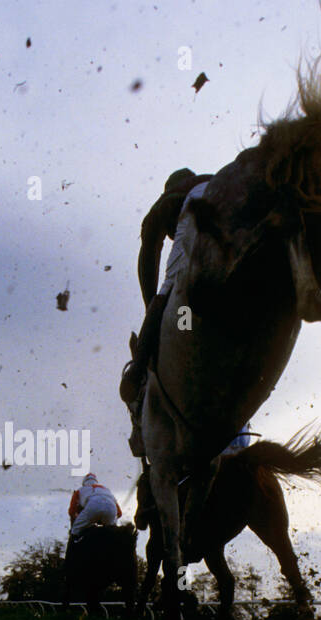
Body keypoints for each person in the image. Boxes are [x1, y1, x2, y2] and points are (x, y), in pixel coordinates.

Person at [120, 167, 215, 457]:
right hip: (235, 209)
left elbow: (147, 261)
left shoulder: (168, 202)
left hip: (208, 211)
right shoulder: (211, 181)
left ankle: (136, 372)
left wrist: (153, 307)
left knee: (172, 284)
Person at [68, 473, 122, 539]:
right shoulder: (107, 490)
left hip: (93, 507)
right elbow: (119, 514)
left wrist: (78, 520)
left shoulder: (80, 490)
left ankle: (73, 543)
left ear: (84, 483)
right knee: (113, 535)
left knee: (75, 530)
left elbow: (71, 512)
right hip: (111, 508)